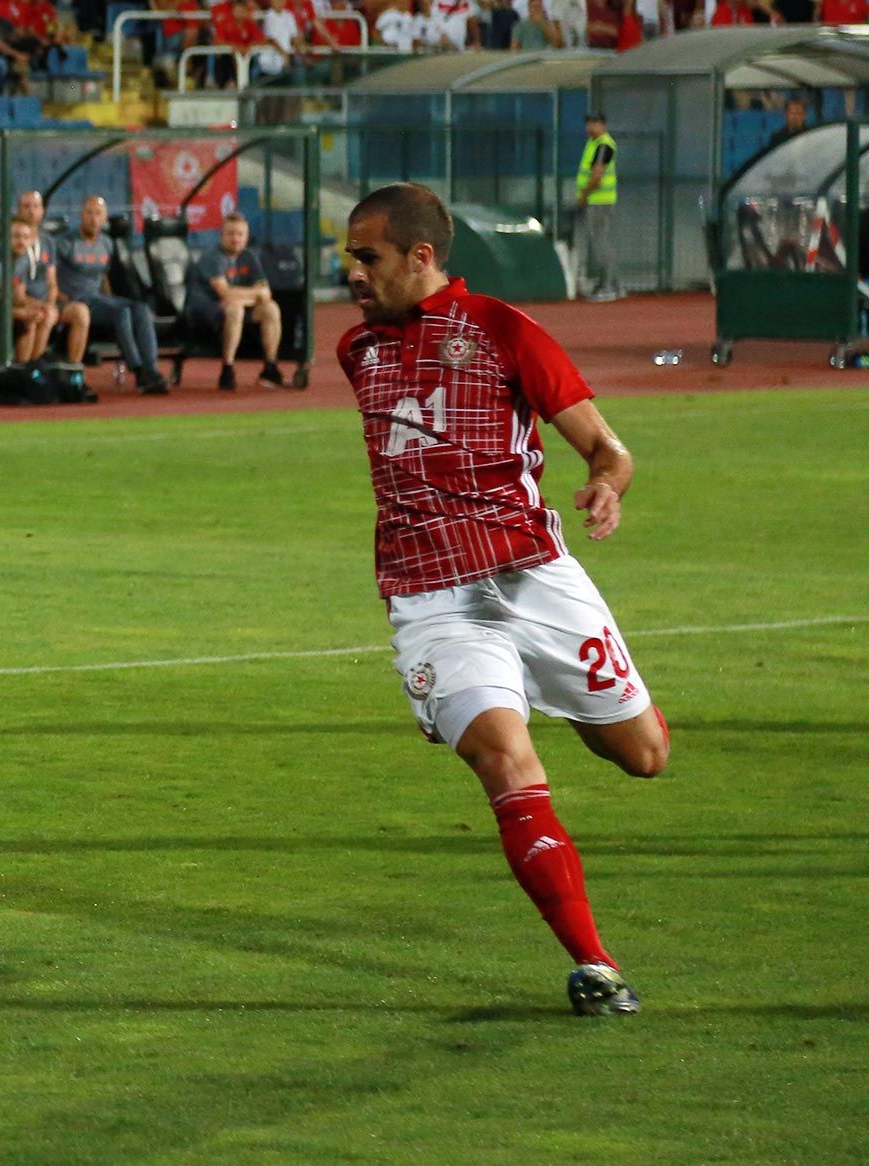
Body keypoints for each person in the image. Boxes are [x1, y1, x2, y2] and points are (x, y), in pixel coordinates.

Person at [337, 182, 669, 1017]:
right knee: (503, 759)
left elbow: (605, 445)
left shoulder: (503, 330)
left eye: (366, 256)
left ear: (421, 256)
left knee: (644, 754)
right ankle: (597, 964)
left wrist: (607, 484)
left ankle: (555, 693)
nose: (351, 272)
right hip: (430, 599)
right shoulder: (359, 349)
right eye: (349, 255)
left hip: (536, 576)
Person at [53, 195, 168, 394]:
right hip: (76, 299)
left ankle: (152, 370)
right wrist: (61, 298)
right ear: (81, 215)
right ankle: (139, 372)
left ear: (104, 218)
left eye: (98, 214)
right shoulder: (64, 243)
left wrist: (109, 298)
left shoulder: (107, 243)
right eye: (89, 213)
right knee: (121, 311)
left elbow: (103, 276)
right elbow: (51, 275)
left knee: (140, 309)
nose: (93, 219)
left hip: (98, 299)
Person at [185, 211, 284, 390]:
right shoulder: (212, 257)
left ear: (246, 237)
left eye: (240, 234)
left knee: (271, 309)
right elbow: (224, 293)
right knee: (235, 308)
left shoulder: (248, 256)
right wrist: (253, 295)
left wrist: (246, 296)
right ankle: (227, 369)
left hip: (235, 307)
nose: (236, 239)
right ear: (221, 236)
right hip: (205, 311)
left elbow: (265, 293)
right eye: (231, 234)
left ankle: (270, 367)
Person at [0, 216, 60, 364]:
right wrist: (20, 313)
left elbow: (18, 297)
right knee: (27, 320)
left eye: (26, 237)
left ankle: (31, 367)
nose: (21, 242)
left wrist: (39, 306)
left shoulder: (23, 259)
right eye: (16, 236)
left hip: (3, 311)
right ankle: (21, 370)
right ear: (6, 238)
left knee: (39, 315)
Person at [573, 111, 620, 302]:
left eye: (593, 123)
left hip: (599, 201)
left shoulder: (603, 145)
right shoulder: (594, 143)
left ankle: (609, 286)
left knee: (601, 243)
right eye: (587, 123)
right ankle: (612, 284)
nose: (589, 127)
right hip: (596, 201)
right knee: (600, 242)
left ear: (602, 124)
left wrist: (584, 196)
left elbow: (597, 175)